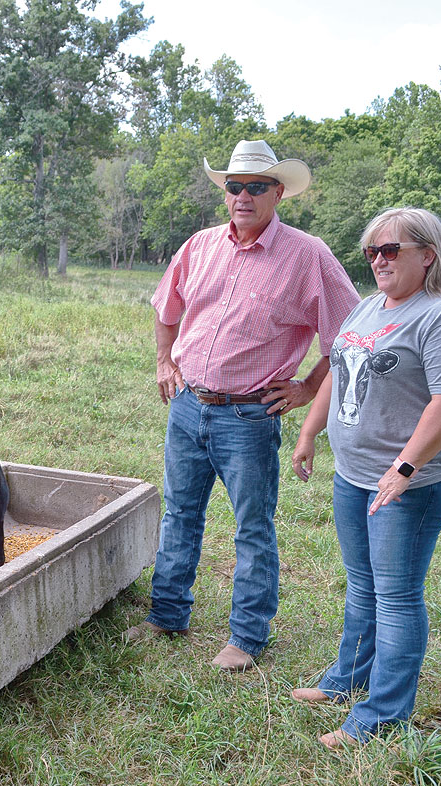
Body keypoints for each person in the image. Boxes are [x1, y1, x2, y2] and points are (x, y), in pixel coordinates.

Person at [125, 140, 360, 672]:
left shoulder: (307, 255)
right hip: (188, 405)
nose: (243, 196)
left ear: (278, 193)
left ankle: (247, 638)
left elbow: (350, 334)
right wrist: (164, 361)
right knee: (180, 513)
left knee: (252, 526)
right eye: (234, 186)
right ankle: (166, 616)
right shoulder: (201, 245)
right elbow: (166, 306)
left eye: (256, 186)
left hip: (249, 417)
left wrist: (307, 388)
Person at [289, 207, 441, 748]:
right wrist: (309, 432)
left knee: (397, 597)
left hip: (411, 485)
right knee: (362, 583)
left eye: (391, 249)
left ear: (428, 255)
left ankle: (381, 716)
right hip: (354, 476)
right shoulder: (368, 307)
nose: (379, 260)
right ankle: (347, 680)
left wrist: (404, 468)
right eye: (372, 251)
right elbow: (337, 372)